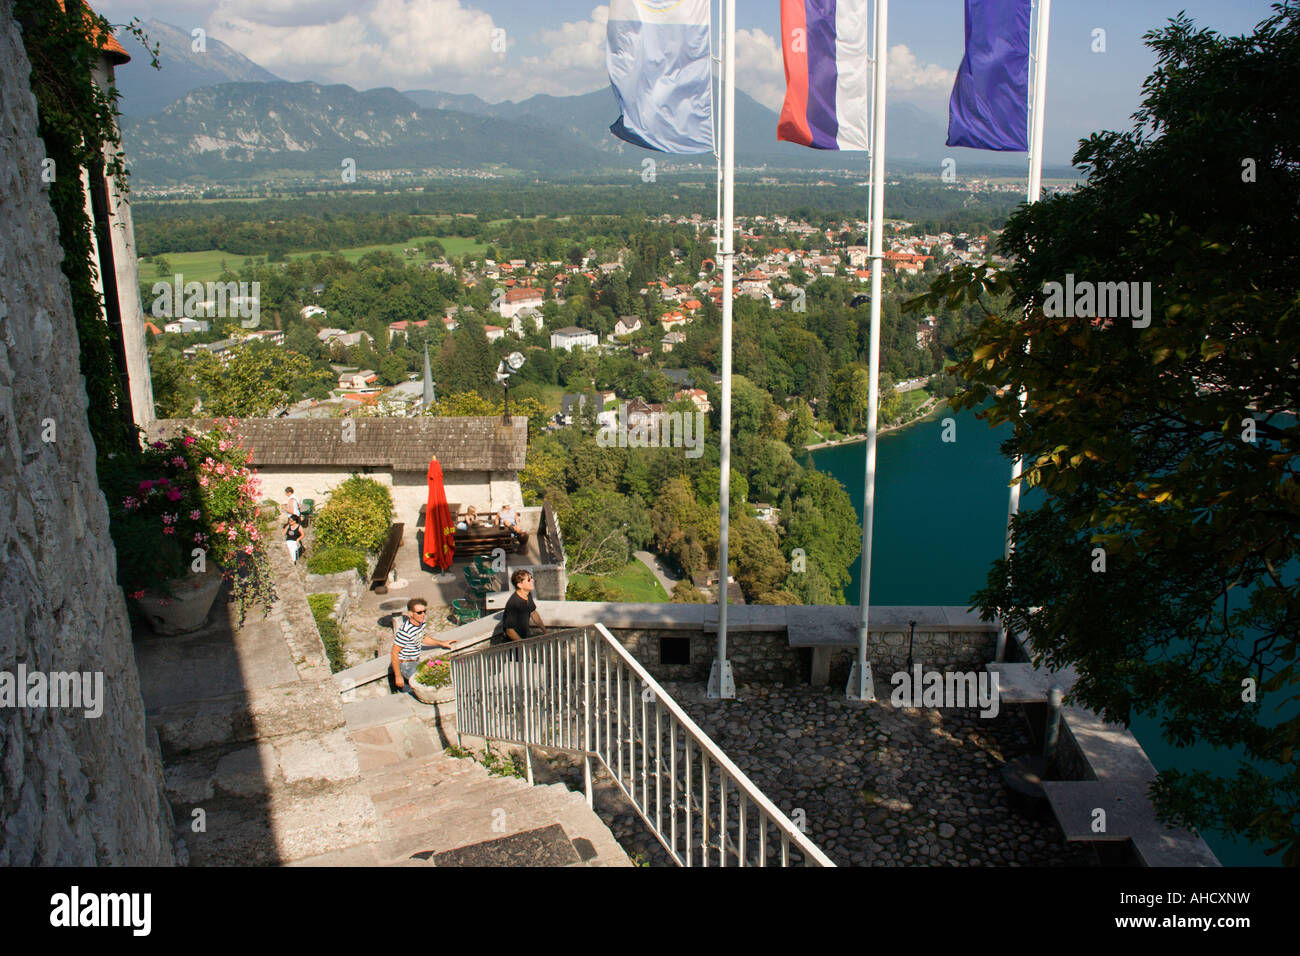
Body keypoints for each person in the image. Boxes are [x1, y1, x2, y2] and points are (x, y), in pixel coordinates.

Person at [391, 598, 458, 695]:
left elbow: (423, 638)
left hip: (415, 661)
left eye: (424, 611)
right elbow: (394, 652)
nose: (422, 614)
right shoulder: (405, 631)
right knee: (425, 684)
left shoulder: (421, 623)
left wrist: (441, 643)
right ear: (410, 613)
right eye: (419, 612)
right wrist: (398, 676)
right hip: (406, 664)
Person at [492, 569, 544, 645]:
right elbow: (509, 630)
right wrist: (522, 644)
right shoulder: (514, 603)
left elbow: (533, 613)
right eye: (529, 580)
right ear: (520, 585)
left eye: (531, 578)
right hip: (514, 646)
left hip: (525, 640)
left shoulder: (527, 595)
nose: (532, 580)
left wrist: (545, 632)